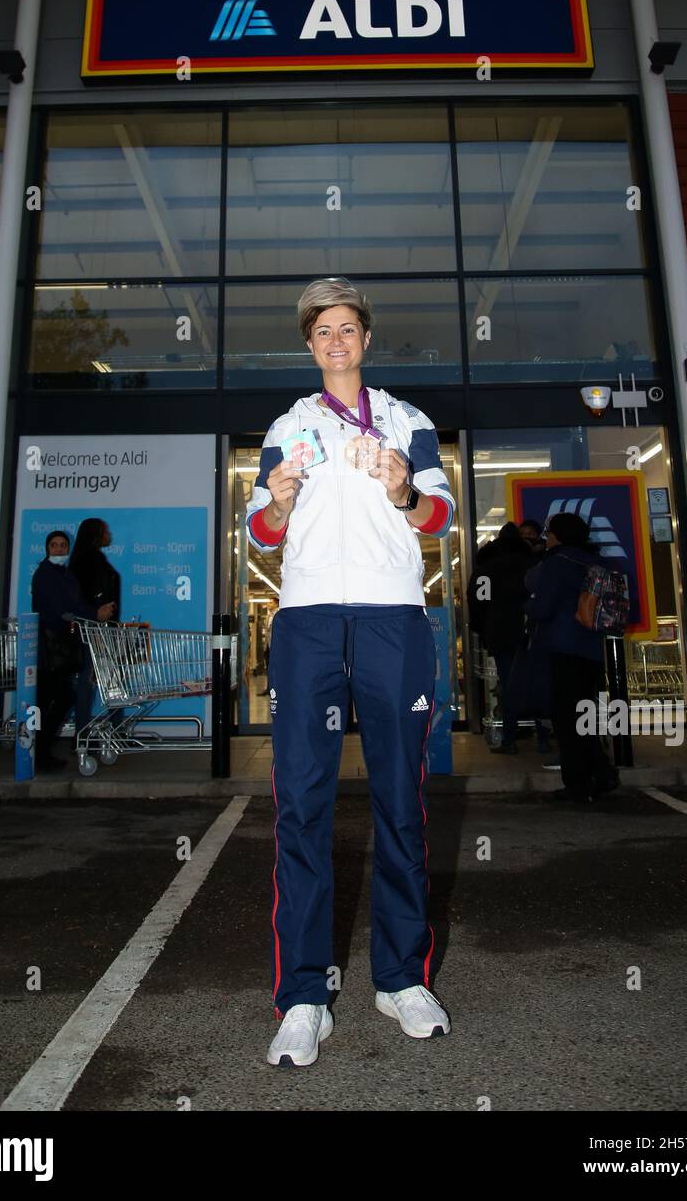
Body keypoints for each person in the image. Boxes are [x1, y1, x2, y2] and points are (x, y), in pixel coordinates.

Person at [247, 277, 456, 1067]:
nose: (335, 340)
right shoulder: (287, 426)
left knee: (401, 801)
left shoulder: (409, 422)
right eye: (321, 330)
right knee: (302, 808)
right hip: (304, 623)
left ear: (366, 338)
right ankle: (303, 997)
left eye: (347, 327)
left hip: (393, 619)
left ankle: (402, 978)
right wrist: (273, 501)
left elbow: (441, 517)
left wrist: (403, 489)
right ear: (309, 344)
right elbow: (265, 535)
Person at [525, 513, 618, 802]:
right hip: (590, 648)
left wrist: (527, 606)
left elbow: (543, 607)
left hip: (562, 648)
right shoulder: (594, 560)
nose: (546, 537)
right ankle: (601, 773)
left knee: (566, 719)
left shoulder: (558, 562)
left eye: (550, 532)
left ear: (559, 535)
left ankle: (578, 783)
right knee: (583, 716)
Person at [31, 530, 115, 773]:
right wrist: (93, 614)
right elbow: (61, 608)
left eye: (62, 545)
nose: (58, 549)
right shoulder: (45, 575)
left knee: (55, 697)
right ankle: (39, 751)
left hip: (62, 647)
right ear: (47, 549)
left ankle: (40, 750)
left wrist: (95, 612)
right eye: (54, 545)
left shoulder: (66, 575)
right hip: (49, 648)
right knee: (55, 697)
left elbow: (76, 604)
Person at [468, 522, 552, 755]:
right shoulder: (532, 564)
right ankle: (542, 738)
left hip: (499, 632)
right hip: (530, 632)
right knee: (536, 684)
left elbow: (477, 602)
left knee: (508, 684)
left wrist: (481, 628)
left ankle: (508, 739)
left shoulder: (486, 570)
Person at [69, 518, 121, 735]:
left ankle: (89, 732)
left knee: (100, 680)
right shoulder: (90, 561)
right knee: (95, 681)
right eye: (106, 531)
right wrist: (98, 615)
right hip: (95, 629)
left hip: (96, 628)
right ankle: (91, 733)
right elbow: (91, 594)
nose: (110, 534)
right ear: (97, 534)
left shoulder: (87, 559)